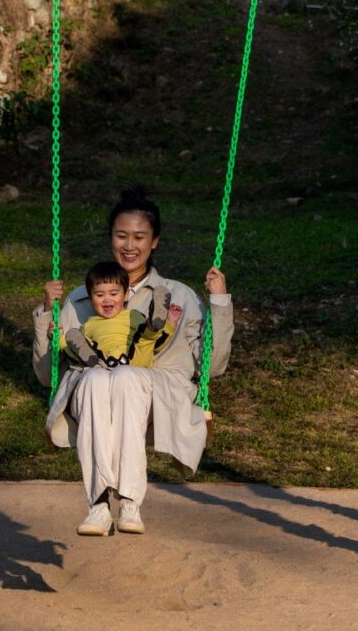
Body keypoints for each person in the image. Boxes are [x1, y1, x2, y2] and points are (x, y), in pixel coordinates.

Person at [33, 193, 232, 537]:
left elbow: (212, 367)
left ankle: (128, 500)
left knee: (125, 375)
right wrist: (46, 313)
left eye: (139, 237)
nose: (129, 246)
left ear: (154, 242)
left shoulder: (178, 296)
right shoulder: (81, 298)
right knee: (95, 379)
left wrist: (219, 300)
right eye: (121, 236)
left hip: (157, 395)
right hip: (94, 393)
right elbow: (44, 374)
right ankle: (98, 505)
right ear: (111, 237)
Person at [63, 259, 183, 369]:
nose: (107, 299)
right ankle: (91, 358)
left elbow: (158, 344)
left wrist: (170, 323)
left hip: (136, 361)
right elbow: (76, 347)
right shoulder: (88, 325)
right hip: (104, 364)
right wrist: (58, 337)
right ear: (90, 300)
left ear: (126, 295)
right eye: (100, 295)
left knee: (146, 340)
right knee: (84, 347)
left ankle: (153, 325)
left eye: (113, 294)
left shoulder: (133, 316)